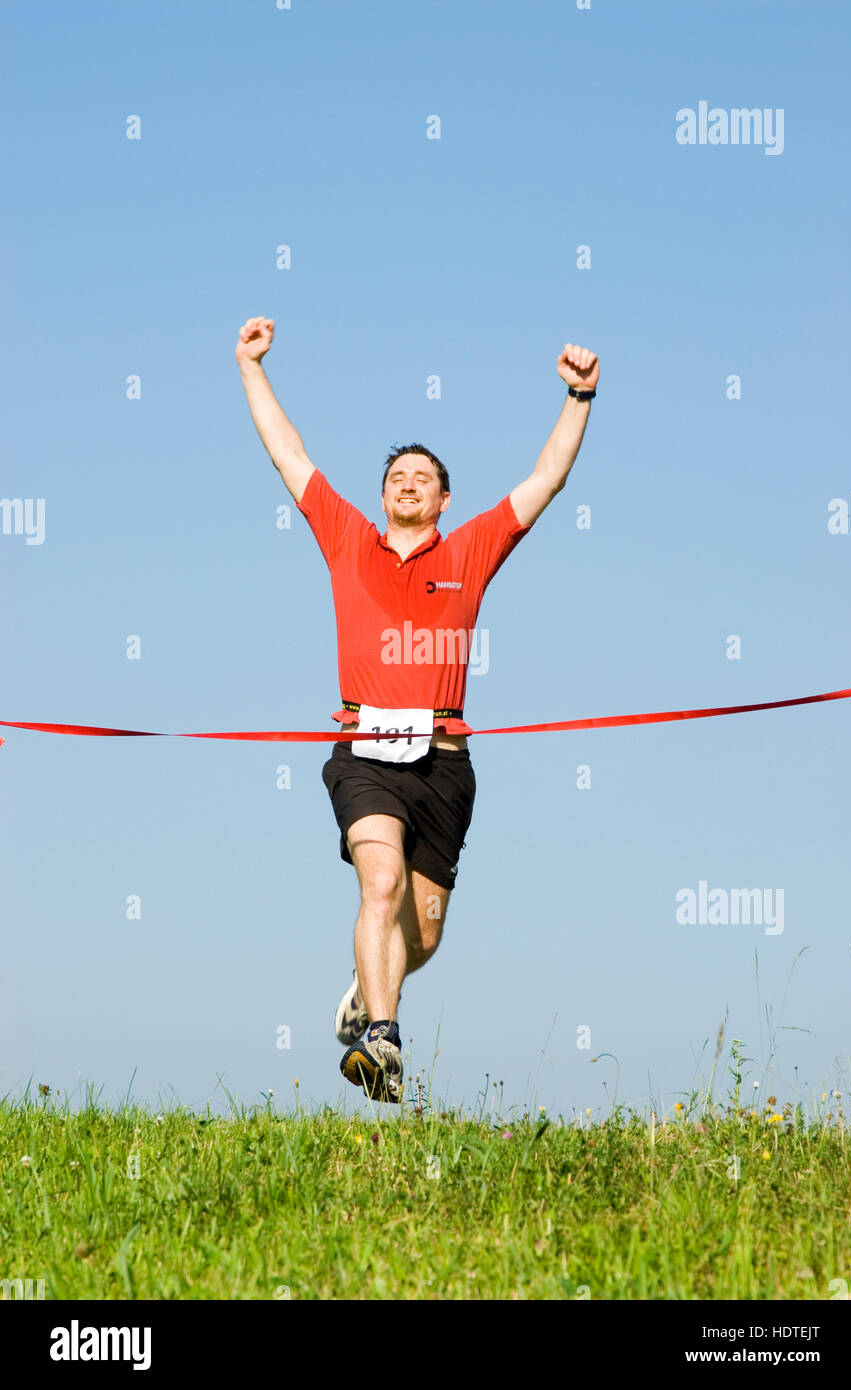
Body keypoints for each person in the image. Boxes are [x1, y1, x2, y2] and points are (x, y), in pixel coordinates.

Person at [237, 317, 598, 1101]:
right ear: (381, 496)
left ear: (443, 498)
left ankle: (370, 993)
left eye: (421, 478)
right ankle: (382, 1039)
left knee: (424, 930)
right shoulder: (347, 539)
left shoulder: (470, 551)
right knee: (381, 883)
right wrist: (250, 367)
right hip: (362, 748)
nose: (406, 484)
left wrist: (579, 395)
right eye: (395, 476)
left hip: (445, 762)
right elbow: (288, 452)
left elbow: (546, 479)